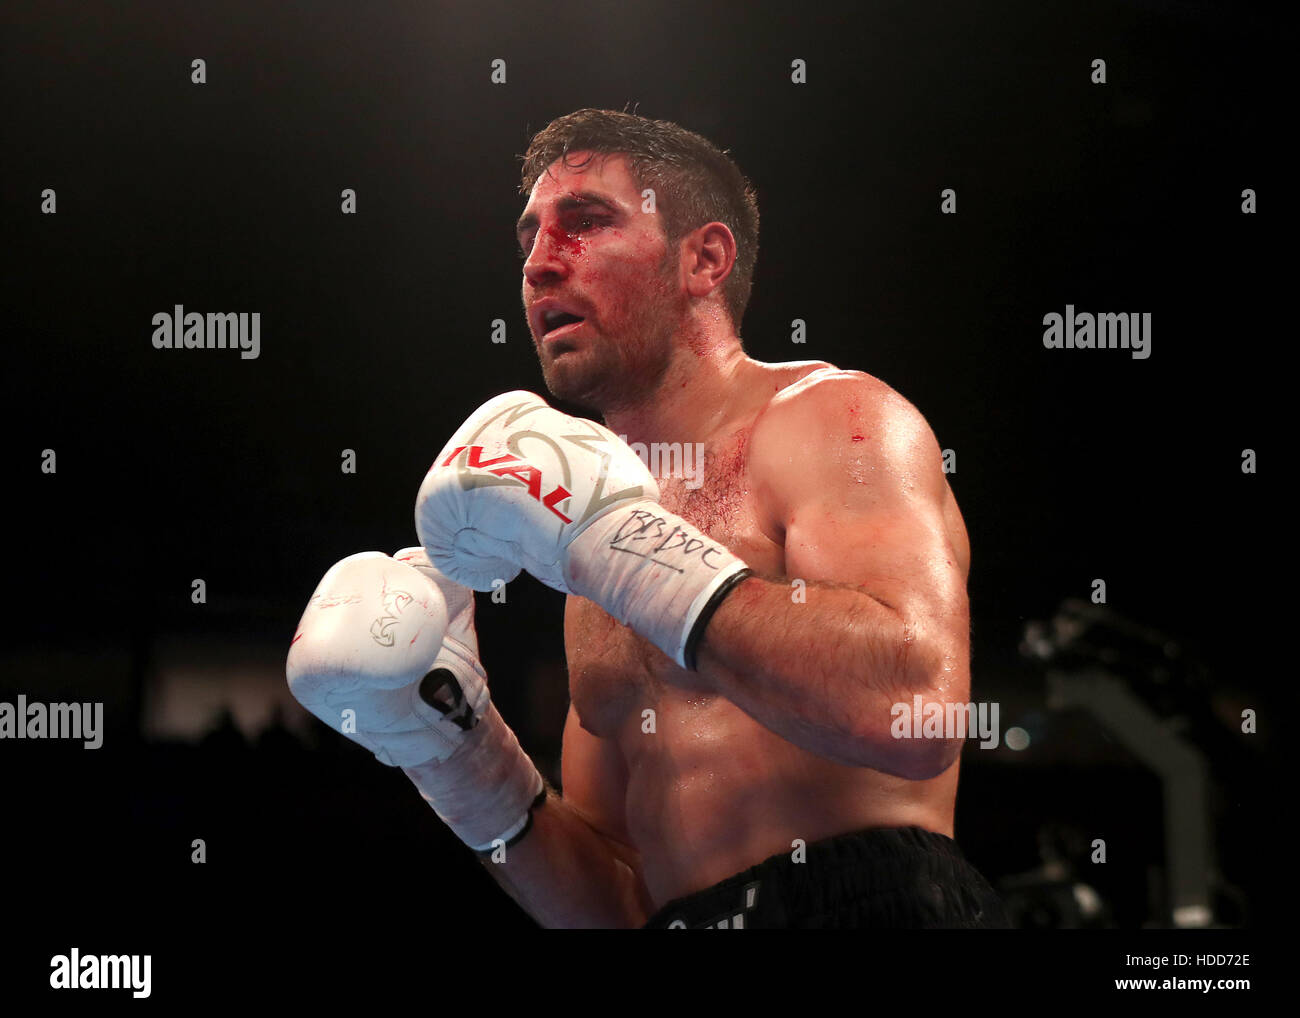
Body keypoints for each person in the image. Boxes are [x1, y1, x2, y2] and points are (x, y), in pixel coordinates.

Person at [288, 109, 1007, 929]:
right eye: (528, 237)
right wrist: (456, 752)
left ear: (703, 258)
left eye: (586, 222)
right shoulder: (588, 563)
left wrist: (618, 545)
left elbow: (917, 708)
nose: (538, 264)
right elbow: (618, 905)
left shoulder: (836, 421)